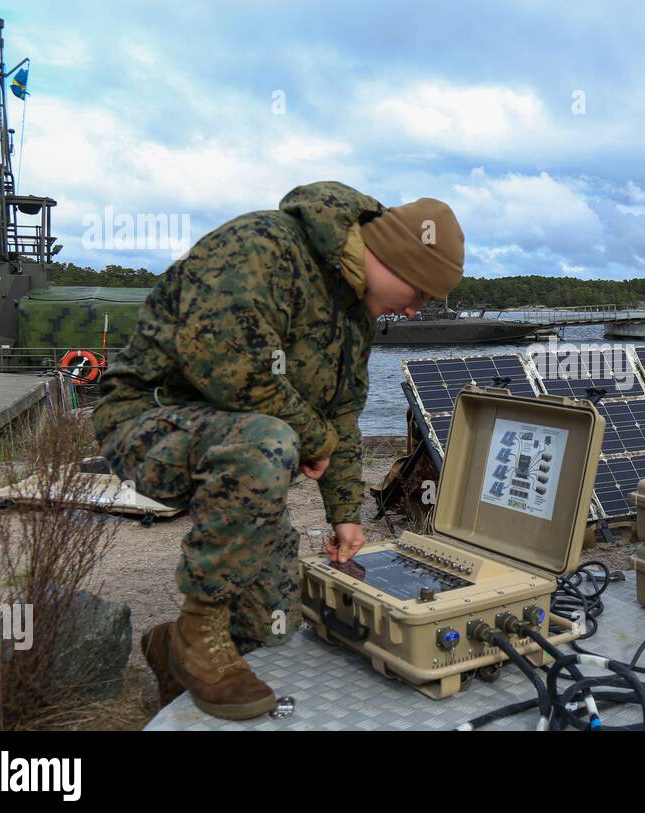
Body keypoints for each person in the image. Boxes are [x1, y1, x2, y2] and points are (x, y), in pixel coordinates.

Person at [92, 181, 464, 720]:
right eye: (421, 295)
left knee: (272, 618)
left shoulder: (355, 316)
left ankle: (170, 650)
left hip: (240, 441)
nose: (414, 311)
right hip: (146, 420)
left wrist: (344, 516)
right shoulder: (262, 245)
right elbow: (230, 363)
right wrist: (311, 438)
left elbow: (341, 414)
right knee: (270, 442)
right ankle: (201, 630)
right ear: (398, 262)